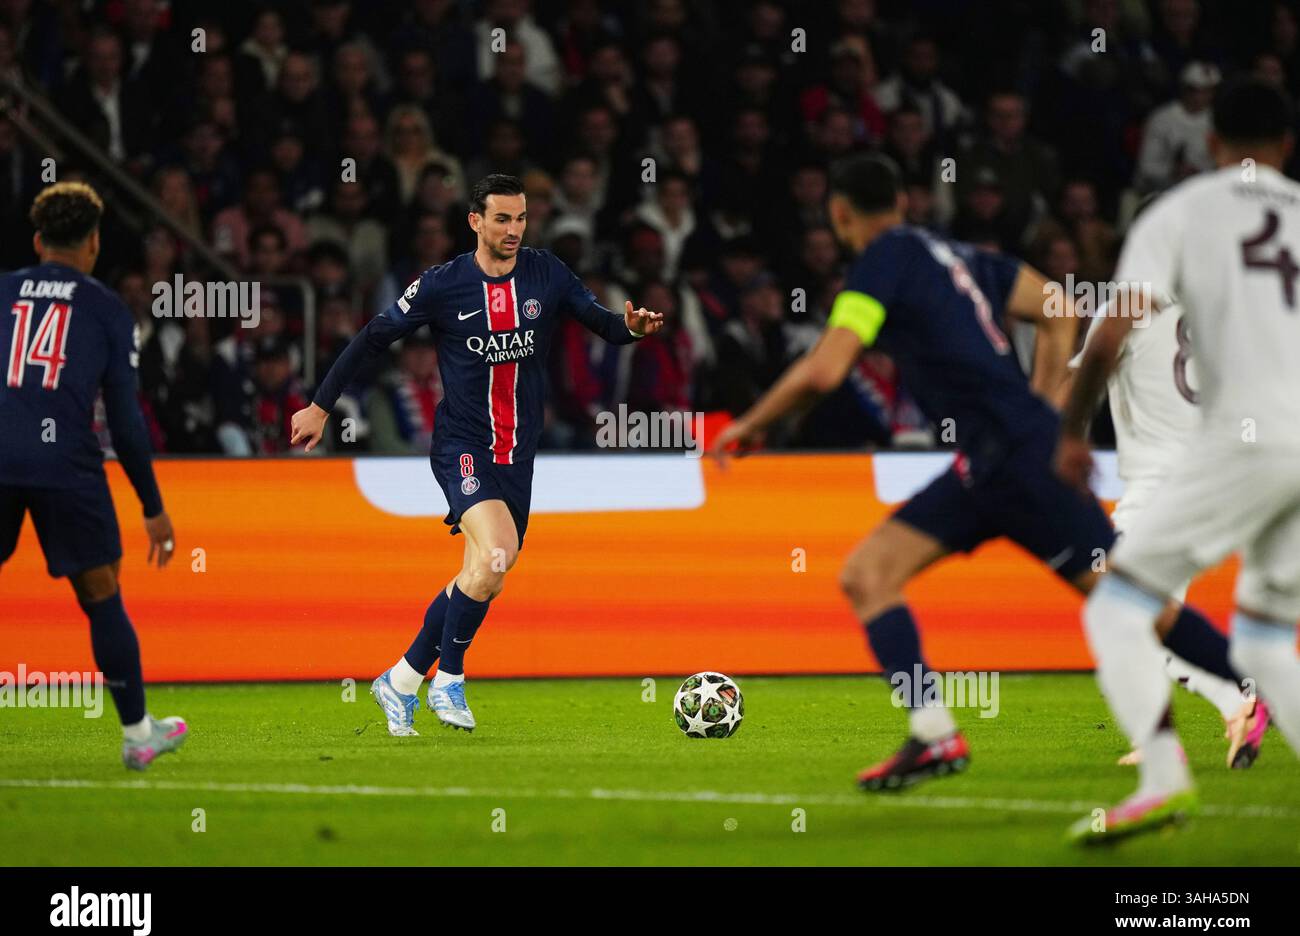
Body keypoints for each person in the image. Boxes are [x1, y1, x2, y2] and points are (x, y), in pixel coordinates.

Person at [711, 153, 1243, 793]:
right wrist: (1045, 413)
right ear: (902, 203)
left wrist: (751, 423)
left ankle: (1261, 685)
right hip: (988, 463)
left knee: (1134, 607)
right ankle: (934, 733)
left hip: (1012, 462)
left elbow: (826, 369)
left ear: (841, 213)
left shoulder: (883, 260)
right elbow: (1058, 305)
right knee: (868, 574)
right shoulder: (956, 256)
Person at [290, 174, 662, 734]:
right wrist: (320, 405)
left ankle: (401, 679)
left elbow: (604, 325)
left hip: (518, 453)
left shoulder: (547, 273)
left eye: (521, 219)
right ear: (475, 222)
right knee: (494, 559)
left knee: (485, 572)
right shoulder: (442, 285)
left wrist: (630, 329)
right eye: (502, 219)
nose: (514, 230)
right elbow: (373, 335)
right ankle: (451, 682)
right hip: (464, 446)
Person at [1058, 78, 1300, 844]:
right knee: (1262, 636)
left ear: (1209, 142)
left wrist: (1069, 432)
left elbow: (1101, 344)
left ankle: (1170, 776)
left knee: (1120, 608)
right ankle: (1237, 702)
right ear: (1287, 145)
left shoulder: (1181, 217)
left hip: (1196, 467)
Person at [0, 182, 186, 769]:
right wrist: (152, 505)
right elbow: (127, 422)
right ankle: (137, 736)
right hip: (67, 466)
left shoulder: (1, 292)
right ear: (94, 244)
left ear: (38, 240)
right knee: (101, 595)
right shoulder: (106, 309)